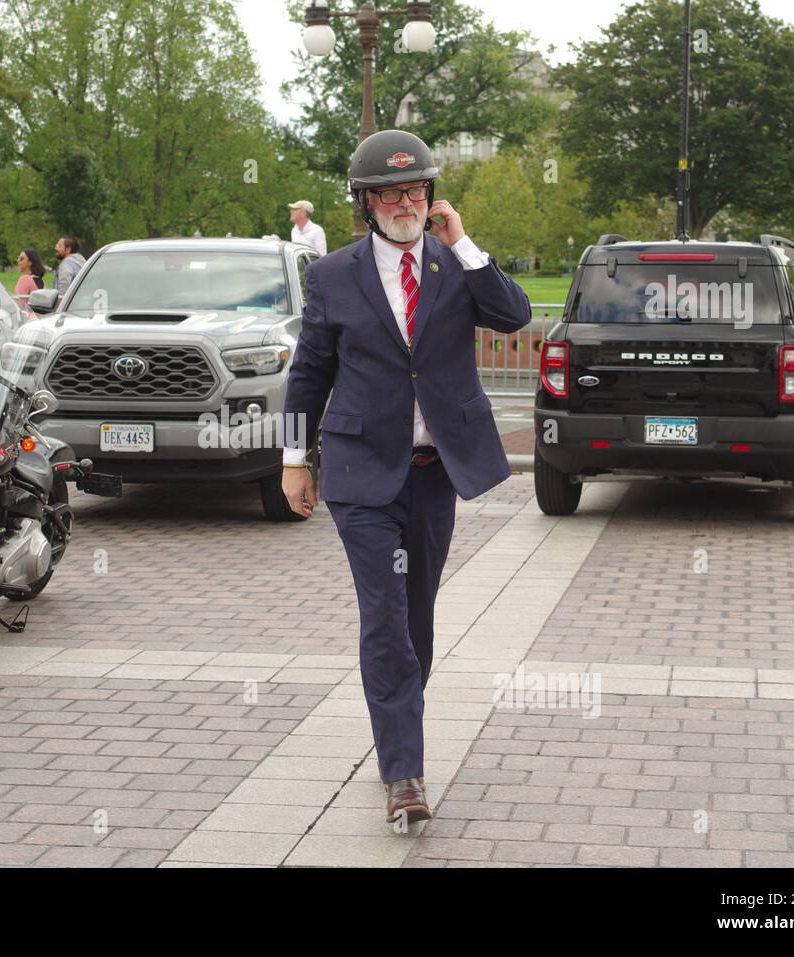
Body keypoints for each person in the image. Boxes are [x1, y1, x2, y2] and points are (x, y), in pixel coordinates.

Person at [280, 130, 532, 826]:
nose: (406, 202)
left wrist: (466, 242)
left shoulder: (456, 266)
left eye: (417, 189)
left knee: (416, 615)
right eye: (390, 192)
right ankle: (404, 773)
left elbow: (516, 316)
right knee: (384, 616)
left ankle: (394, 732)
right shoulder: (333, 274)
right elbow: (308, 374)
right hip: (361, 473)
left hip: (433, 473)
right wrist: (294, 460)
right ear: (365, 202)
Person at [14, 247, 46, 314]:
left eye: (21, 259)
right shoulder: (42, 281)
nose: (18, 260)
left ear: (30, 262)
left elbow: (19, 304)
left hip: (27, 319)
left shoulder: (24, 279)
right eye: (18, 257)